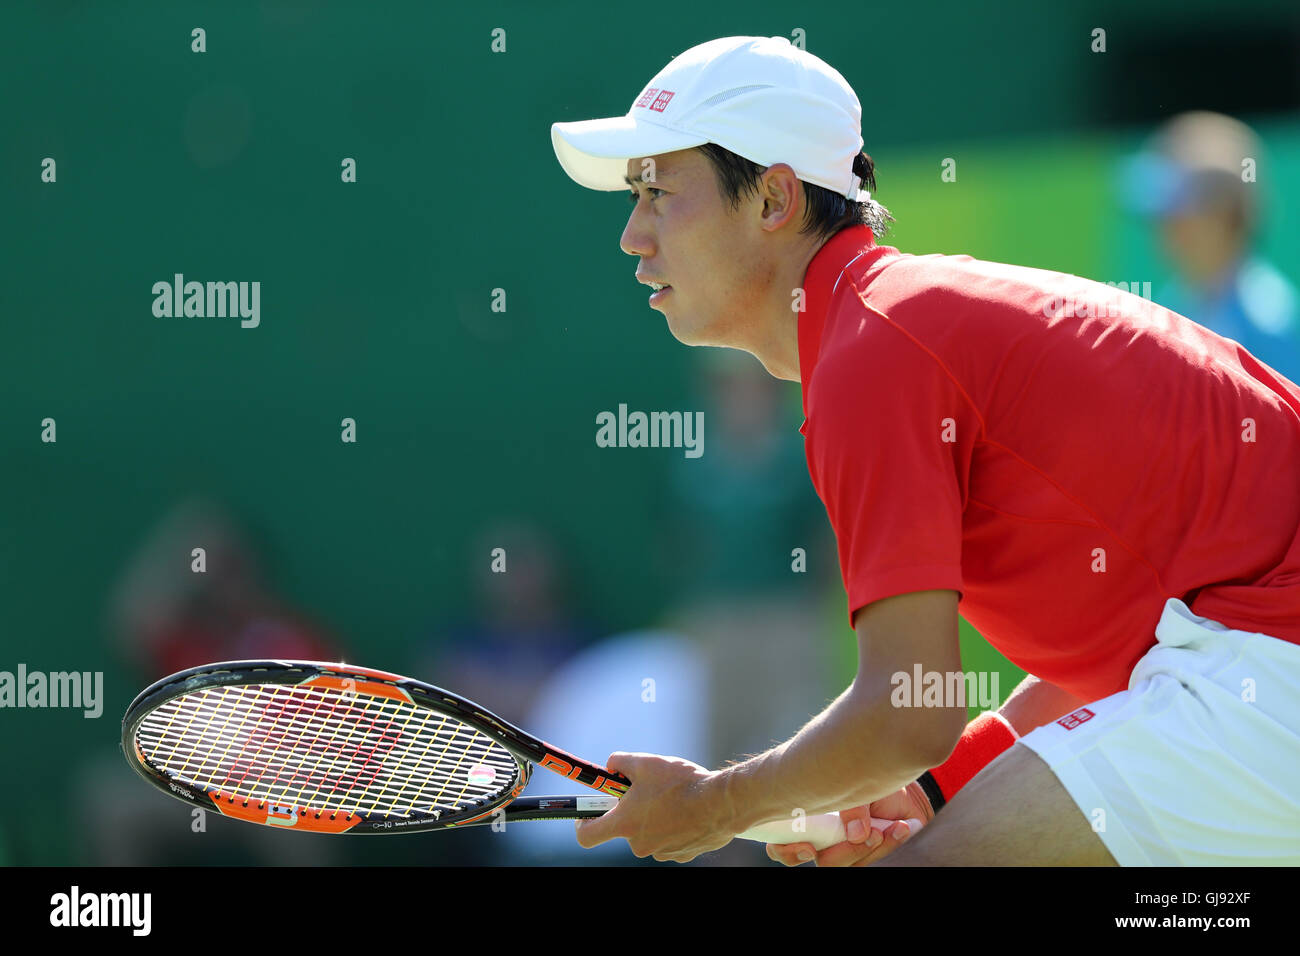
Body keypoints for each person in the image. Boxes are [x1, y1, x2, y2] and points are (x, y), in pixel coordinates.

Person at [548, 35, 1300, 866]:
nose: (632, 235)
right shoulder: (889, 328)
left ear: (773, 200)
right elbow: (1137, 656)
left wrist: (712, 806)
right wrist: (933, 787)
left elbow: (905, 720)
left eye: (657, 193)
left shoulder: (874, 352)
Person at [1122, 111, 1300, 384]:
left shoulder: (1270, 324)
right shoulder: (1174, 303)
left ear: (1224, 212)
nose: (1165, 225)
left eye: (1180, 208)